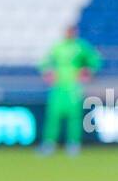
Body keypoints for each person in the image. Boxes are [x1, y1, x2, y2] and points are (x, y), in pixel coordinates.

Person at [37, 26, 101, 156]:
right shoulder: (58, 47)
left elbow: (95, 60)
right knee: (53, 117)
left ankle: (73, 144)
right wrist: (47, 73)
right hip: (58, 87)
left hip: (74, 86)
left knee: (74, 117)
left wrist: (88, 72)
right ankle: (49, 143)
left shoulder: (80, 46)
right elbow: (44, 62)